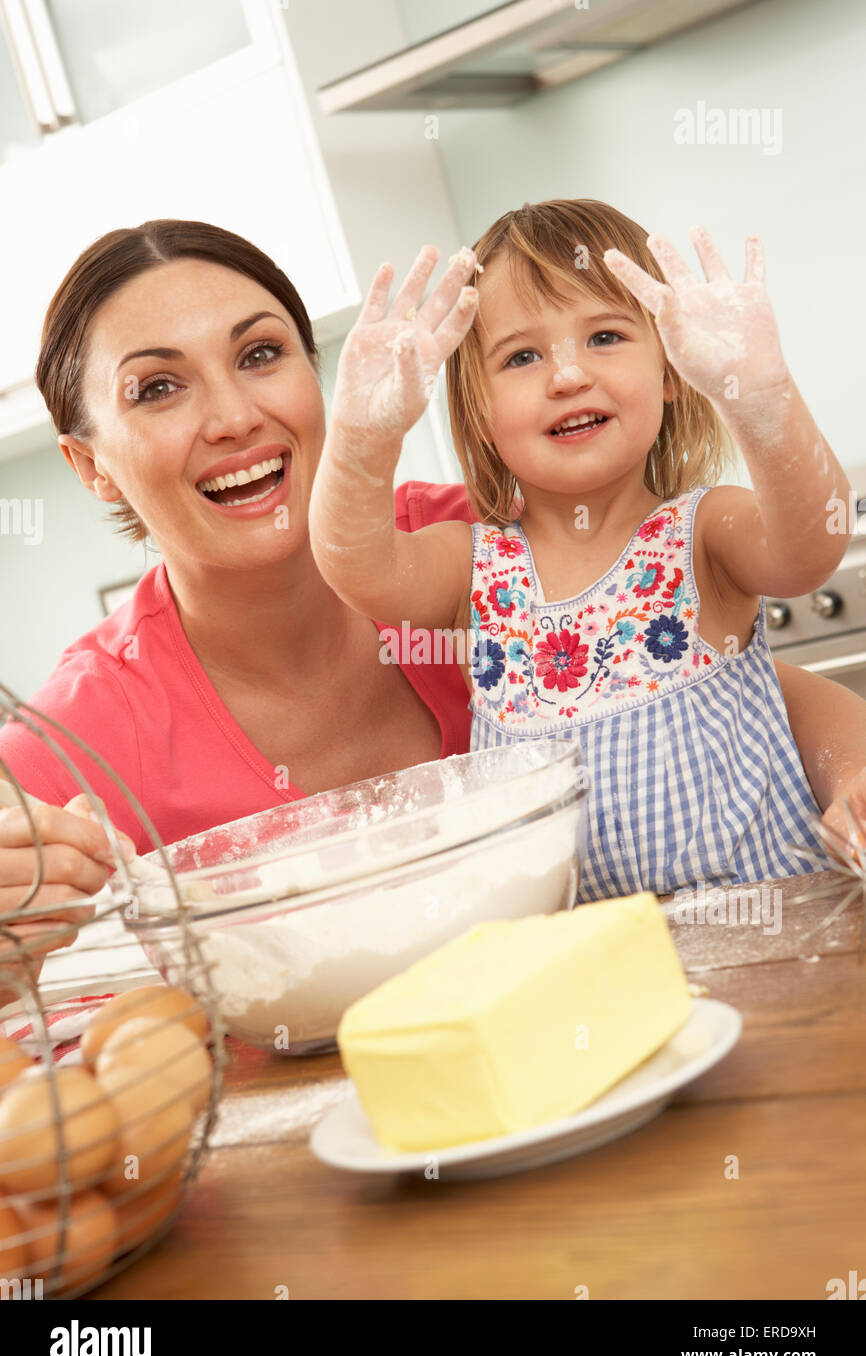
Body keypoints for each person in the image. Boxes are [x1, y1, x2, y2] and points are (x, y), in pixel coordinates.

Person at [0, 217, 861, 929]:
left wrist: (852, 767)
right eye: (156, 388)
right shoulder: (73, 734)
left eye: (260, 355)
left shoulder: (483, 537)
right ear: (91, 467)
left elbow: (718, 682)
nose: (233, 416)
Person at [308, 198, 864, 899]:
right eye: (523, 356)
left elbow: (810, 547)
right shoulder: (475, 567)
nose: (567, 376)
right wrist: (363, 437)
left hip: (772, 943)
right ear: (479, 415)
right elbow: (354, 564)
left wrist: (761, 400)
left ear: (669, 372)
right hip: (587, 971)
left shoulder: (704, 533)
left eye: (604, 337)